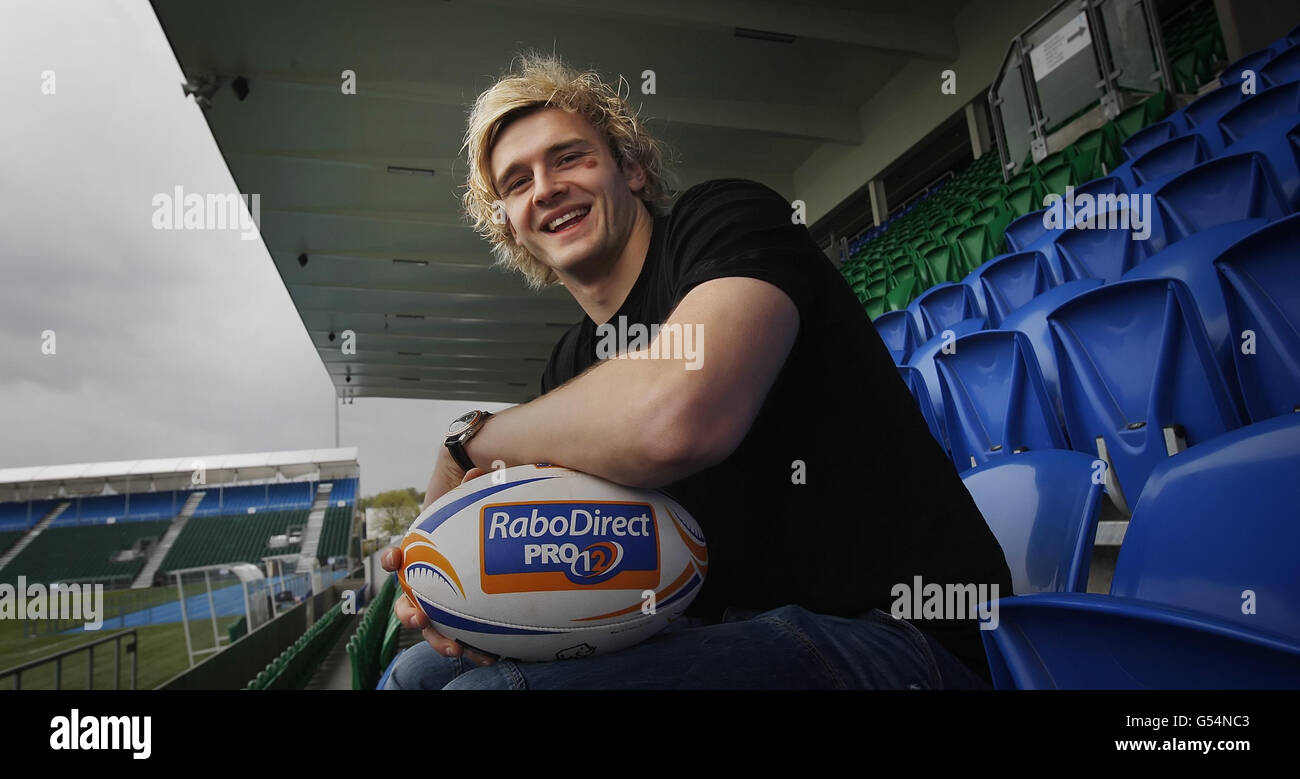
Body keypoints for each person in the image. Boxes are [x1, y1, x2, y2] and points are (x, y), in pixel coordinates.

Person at [382, 53, 1013, 690]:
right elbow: (574, 539)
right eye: (517, 183)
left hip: (905, 637)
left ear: (631, 169)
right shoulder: (570, 363)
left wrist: (470, 439)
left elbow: (679, 418)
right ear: (512, 228)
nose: (544, 188)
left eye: (569, 157)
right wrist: (451, 585)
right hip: (724, 625)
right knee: (418, 672)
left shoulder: (724, 219)